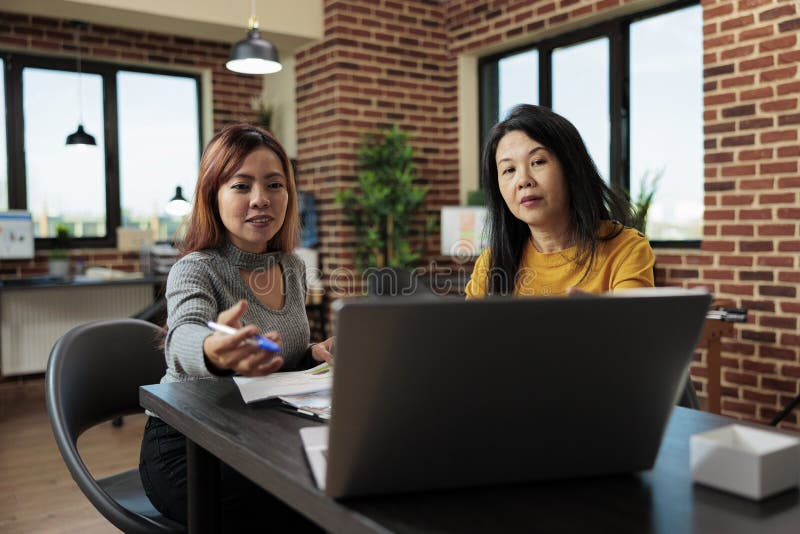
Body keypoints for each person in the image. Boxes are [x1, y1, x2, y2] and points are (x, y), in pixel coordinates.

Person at [139, 123, 332, 529]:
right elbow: (182, 338)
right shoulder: (196, 269)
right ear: (214, 194)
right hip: (188, 448)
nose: (261, 200)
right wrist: (212, 349)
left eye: (274, 185)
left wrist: (311, 354)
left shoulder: (291, 267)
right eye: (241, 186)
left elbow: (283, 356)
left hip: (258, 433)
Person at [466, 104, 654, 298]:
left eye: (538, 162)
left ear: (571, 168)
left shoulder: (625, 249)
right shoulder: (491, 264)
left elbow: (634, 327)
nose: (523, 180)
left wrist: (598, 316)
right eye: (509, 170)